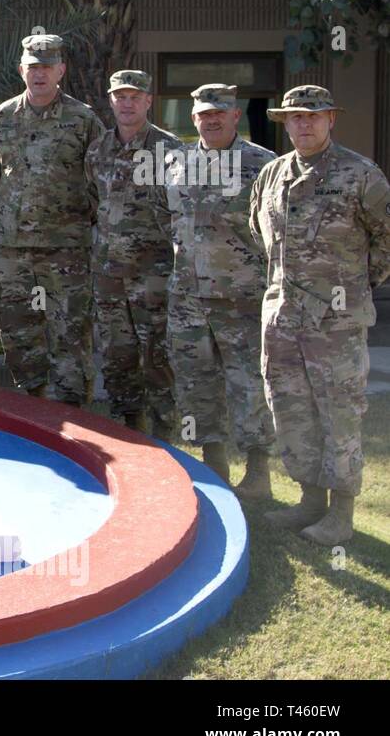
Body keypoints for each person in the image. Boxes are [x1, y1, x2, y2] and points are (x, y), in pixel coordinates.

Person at [250, 85, 390, 545]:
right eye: (295, 117)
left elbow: (384, 242)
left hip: (337, 322)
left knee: (340, 413)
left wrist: (352, 290)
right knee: (291, 409)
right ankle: (310, 501)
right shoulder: (271, 175)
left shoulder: (361, 174)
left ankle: (341, 514)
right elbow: (260, 236)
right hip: (283, 319)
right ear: (284, 123)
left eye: (314, 115)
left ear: (332, 119)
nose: (304, 123)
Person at [160, 84, 275, 495]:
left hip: (242, 296)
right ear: (193, 119)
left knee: (248, 384)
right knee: (195, 383)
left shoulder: (264, 164)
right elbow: (169, 222)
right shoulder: (175, 162)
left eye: (219, 113)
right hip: (188, 297)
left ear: (235, 116)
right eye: (203, 113)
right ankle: (215, 464)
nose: (211, 119)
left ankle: (258, 472)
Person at [0, 34, 103, 404]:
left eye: (47, 67)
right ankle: (31, 405)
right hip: (13, 249)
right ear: (22, 70)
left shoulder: (83, 120)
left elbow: (99, 178)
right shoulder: (1, 118)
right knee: (17, 328)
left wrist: (75, 219)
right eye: (33, 67)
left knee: (69, 330)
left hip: (65, 249)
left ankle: (73, 411)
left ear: (61, 70)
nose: (40, 74)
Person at [84, 70, 180, 436]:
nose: (127, 103)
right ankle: (130, 428)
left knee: (157, 352)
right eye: (120, 96)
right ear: (111, 101)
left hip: (153, 272)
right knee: (116, 352)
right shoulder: (99, 150)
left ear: (148, 101)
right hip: (109, 273)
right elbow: (95, 200)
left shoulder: (169, 150)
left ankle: (164, 432)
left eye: (134, 96)